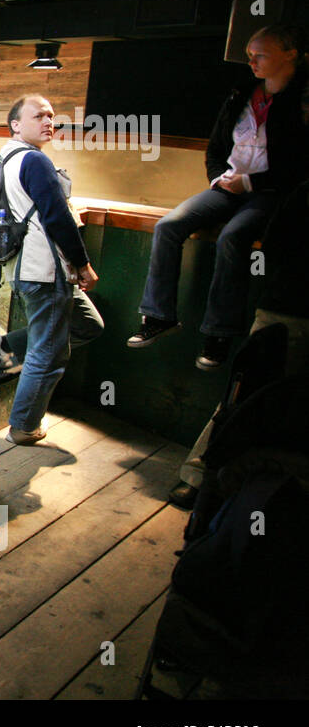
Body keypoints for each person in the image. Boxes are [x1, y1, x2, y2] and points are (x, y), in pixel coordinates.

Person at [128, 25, 309, 369]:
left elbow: (300, 165)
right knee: (168, 226)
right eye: (250, 55)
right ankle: (158, 316)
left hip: (269, 194)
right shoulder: (241, 93)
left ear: (290, 54)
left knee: (233, 237)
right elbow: (215, 149)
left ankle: (219, 334)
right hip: (227, 188)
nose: (252, 61)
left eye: (261, 55)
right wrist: (218, 180)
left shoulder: (301, 98)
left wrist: (251, 183)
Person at [167, 176, 309, 509]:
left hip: (288, 307)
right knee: (244, 396)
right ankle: (201, 478)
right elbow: (275, 245)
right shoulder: (302, 191)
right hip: (288, 309)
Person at [0, 94, 99, 445]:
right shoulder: (34, 161)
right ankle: (23, 427)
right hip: (45, 271)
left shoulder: (3, 160)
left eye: (51, 116)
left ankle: (5, 347)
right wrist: (83, 264)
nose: (48, 121)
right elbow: (58, 217)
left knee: (88, 325)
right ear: (16, 124)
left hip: (24, 270)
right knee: (47, 354)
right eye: (38, 115)